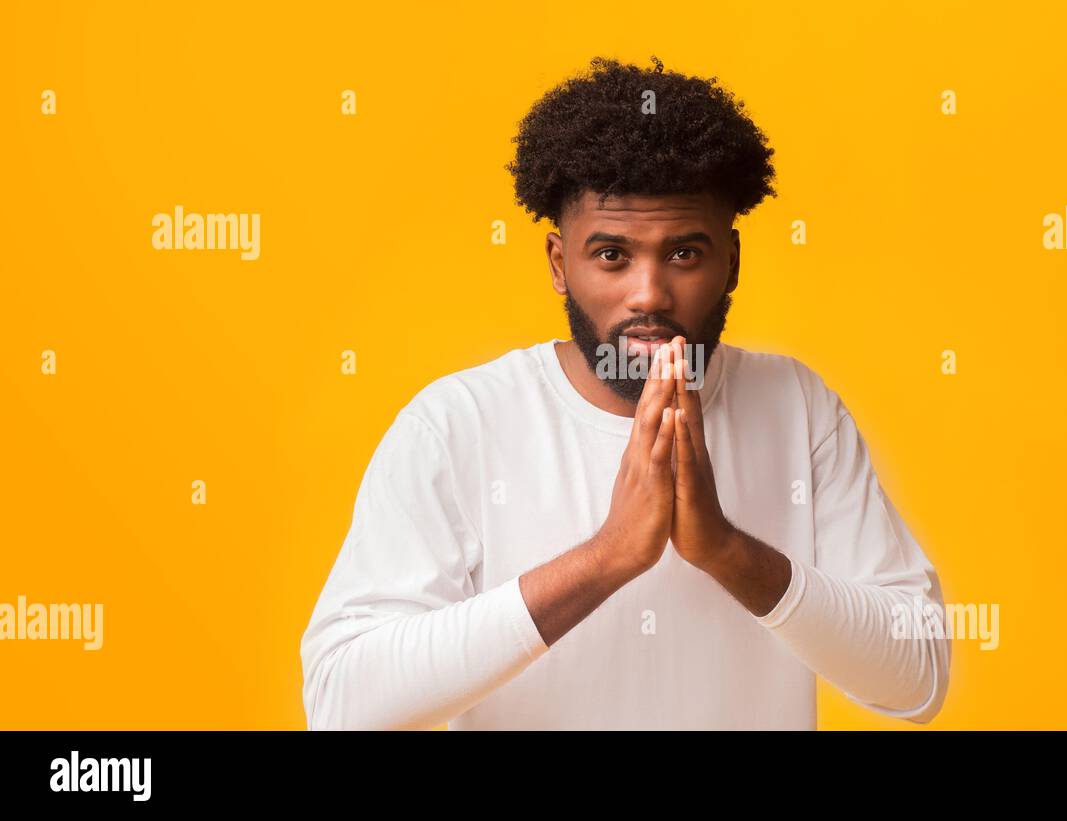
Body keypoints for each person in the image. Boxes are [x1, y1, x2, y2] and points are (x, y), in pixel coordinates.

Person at [300, 56, 950, 730]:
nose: (649, 293)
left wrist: (728, 551)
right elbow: (342, 704)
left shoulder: (797, 407)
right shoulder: (458, 424)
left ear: (732, 260)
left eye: (684, 254)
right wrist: (606, 557)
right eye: (612, 254)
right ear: (560, 263)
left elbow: (917, 679)